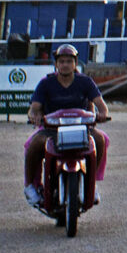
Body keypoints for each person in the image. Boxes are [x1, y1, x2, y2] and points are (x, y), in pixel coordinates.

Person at [24, 45, 110, 208]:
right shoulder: (46, 83)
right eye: (61, 61)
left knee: (100, 140)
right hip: (51, 130)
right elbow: (34, 108)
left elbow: (101, 104)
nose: (65, 65)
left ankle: (91, 183)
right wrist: (34, 117)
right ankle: (30, 186)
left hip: (83, 127)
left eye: (69, 61)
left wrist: (103, 113)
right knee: (33, 145)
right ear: (56, 64)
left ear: (75, 63)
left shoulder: (85, 82)